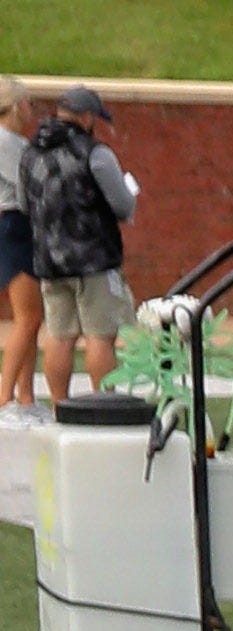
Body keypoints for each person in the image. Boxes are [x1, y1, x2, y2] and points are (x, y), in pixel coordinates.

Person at [22, 84, 135, 398]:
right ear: (87, 117)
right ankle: (104, 402)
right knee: (100, 336)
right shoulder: (95, 153)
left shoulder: (30, 153)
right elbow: (123, 205)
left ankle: (59, 406)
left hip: (48, 259)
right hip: (94, 259)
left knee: (59, 336)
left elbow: (24, 201)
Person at [0, 94, 37, 422]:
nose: (31, 107)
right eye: (26, 102)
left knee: (29, 317)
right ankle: (6, 395)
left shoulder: (14, 141)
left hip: (12, 225)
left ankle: (25, 395)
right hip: (13, 224)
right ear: (13, 105)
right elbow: (26, 189)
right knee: (28, 316)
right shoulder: (6, 142)